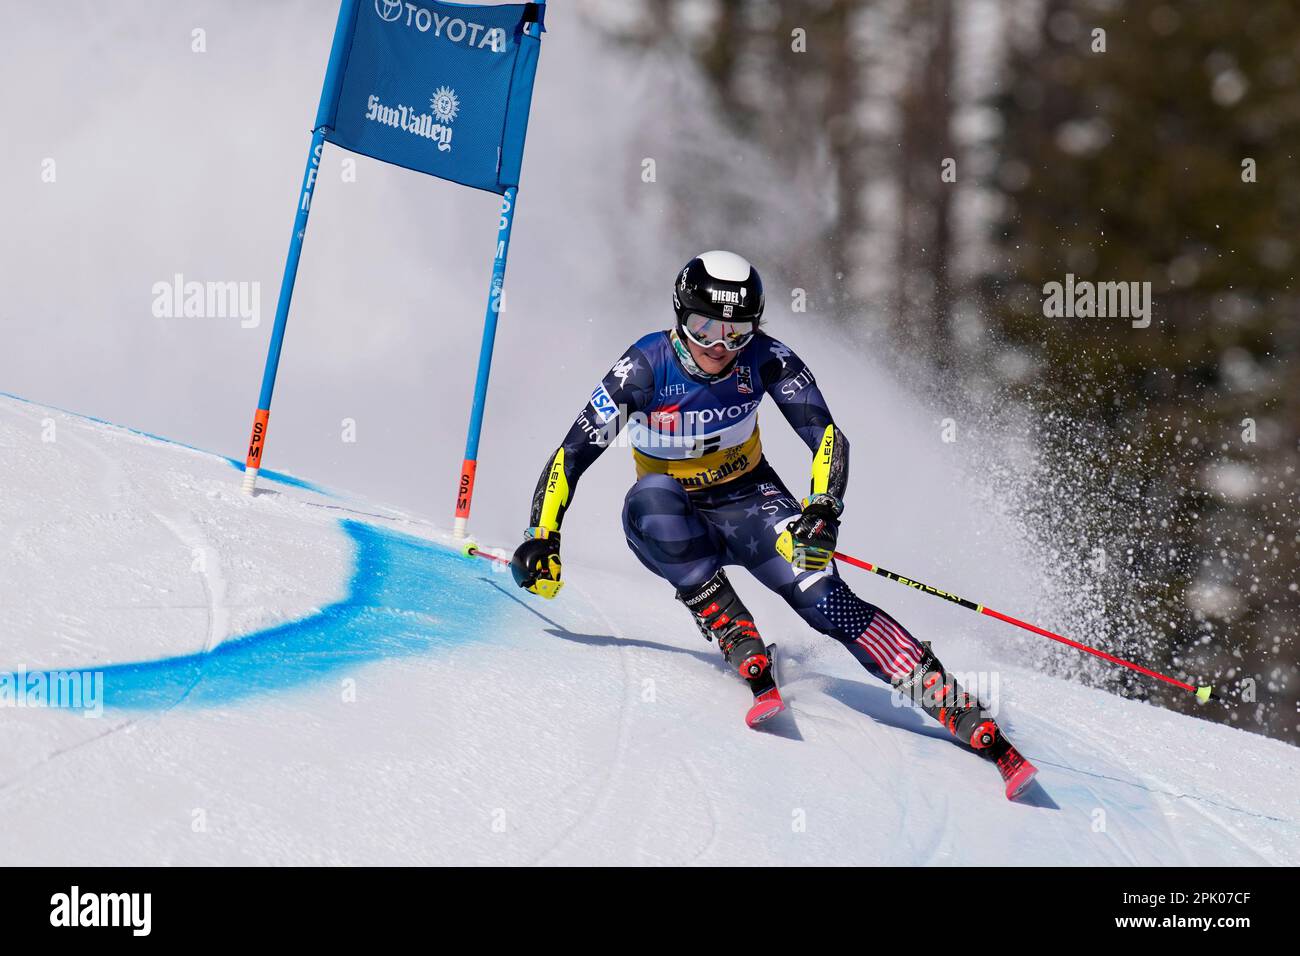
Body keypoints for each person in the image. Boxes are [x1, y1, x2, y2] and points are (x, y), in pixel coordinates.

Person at [509, 250, 1036, 798]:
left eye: (735, 332)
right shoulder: (642, 368)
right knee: (649, 499)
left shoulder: (767, 359)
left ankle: (945, 698)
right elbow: (571, 453)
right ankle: (727, 620)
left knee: (824, 597)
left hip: (753, 504)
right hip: (678, 514)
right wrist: (542, 537)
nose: (718, 346)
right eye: (704, 327)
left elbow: (828, 437)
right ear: (679, 317)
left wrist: (822, 509)